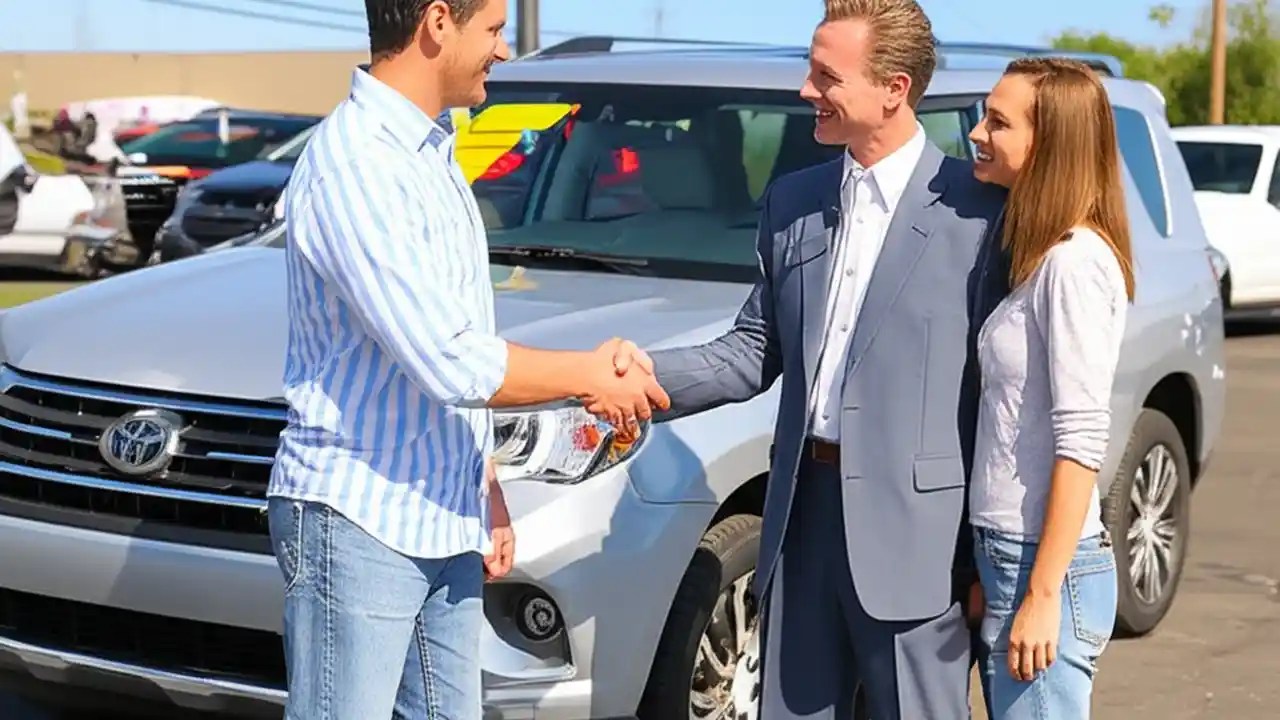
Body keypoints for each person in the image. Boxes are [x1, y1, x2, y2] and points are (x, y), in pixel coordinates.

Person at [267, 1, 669, 718]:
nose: (504, 50)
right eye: (492, 29)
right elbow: (451, 359)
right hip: (362, 519)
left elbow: (454, 328)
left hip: (441, 511)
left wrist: (482, 481)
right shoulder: (360, 165)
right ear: (438, 22)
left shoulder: (430, 150)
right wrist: (588, 377)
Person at [614, 0, 1008, 717]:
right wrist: (638, 375)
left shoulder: (979, 215)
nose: (805, 91)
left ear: (893, 88)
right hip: (801, 525)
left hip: (920, 546)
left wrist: (991, 559)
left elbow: (1001, 403)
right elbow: (751, 351)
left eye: (826, 75)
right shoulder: (793, 201)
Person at [966, 57, 1132, 719]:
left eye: (999, 122)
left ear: (1050, 145)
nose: (978, 132)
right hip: (1011, 555)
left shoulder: (1074, 265)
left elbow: (1081, 440)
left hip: (1042, 564)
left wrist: (1039, 592)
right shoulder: (1040, 258)